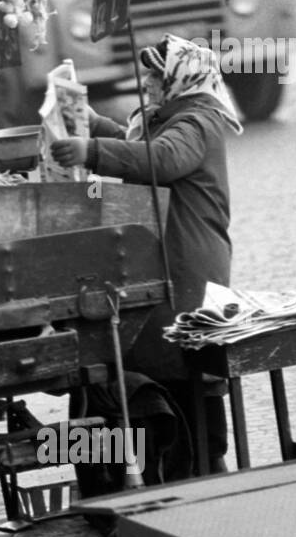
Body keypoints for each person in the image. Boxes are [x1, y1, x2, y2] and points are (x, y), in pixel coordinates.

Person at [50, 34, 241, 478]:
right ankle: (170, 465)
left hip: (189, 265)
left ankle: (209, 469)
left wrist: (92, 153)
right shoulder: (166, 118)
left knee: (193, 366)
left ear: (182, 78)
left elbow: (161, 159)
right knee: (166, 363)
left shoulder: (199, 120)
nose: (149, 82)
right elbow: (135, 143)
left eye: (157, 74)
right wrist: (94, 124)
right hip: (164, 262)